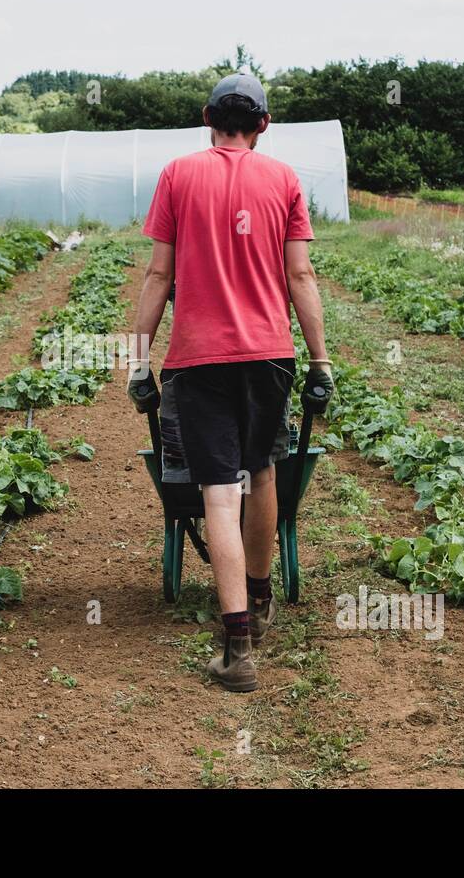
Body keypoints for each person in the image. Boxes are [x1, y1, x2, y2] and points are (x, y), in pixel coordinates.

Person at [127, 73, 334, 692]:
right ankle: (263, 597)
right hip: (269, 355)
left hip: (198, 359)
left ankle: (238, 646)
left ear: (206, 117)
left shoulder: (177, 175)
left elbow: (159, 276)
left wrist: (139, 359)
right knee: (264, 473)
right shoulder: (285, 181)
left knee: (219, 492)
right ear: (263, 125)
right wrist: (320, 361)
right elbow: (300, 278)